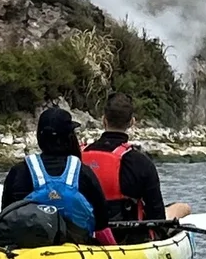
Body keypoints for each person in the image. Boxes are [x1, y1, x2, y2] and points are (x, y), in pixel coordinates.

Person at [0, 106, 111, 241]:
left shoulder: (18, 172)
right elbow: (102, 221)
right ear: (70, 137)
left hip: (28, 252)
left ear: (39, 136)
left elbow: (5, 218)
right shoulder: (83, 172)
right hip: (77, 250)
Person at [81, 91, 192, 227]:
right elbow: (157, 217)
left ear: (104, 120)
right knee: (183, 208)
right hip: (128, 236)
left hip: (88, 232)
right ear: (132, 122)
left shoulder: (79, 155)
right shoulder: (141, 162)